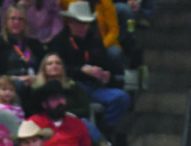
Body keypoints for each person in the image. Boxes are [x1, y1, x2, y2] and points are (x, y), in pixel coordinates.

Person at [48, 2, 130, 131]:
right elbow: (57, 69)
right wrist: (81, 70)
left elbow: (107, 65)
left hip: (96, 86)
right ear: (70, 22)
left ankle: (105, 130)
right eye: (79, 22)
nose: (83, 26)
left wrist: (106, 76)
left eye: (85, 23)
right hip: (73, 86)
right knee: (80, 91)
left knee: (121, 97)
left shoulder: (95, 40)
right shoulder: (59, 42)